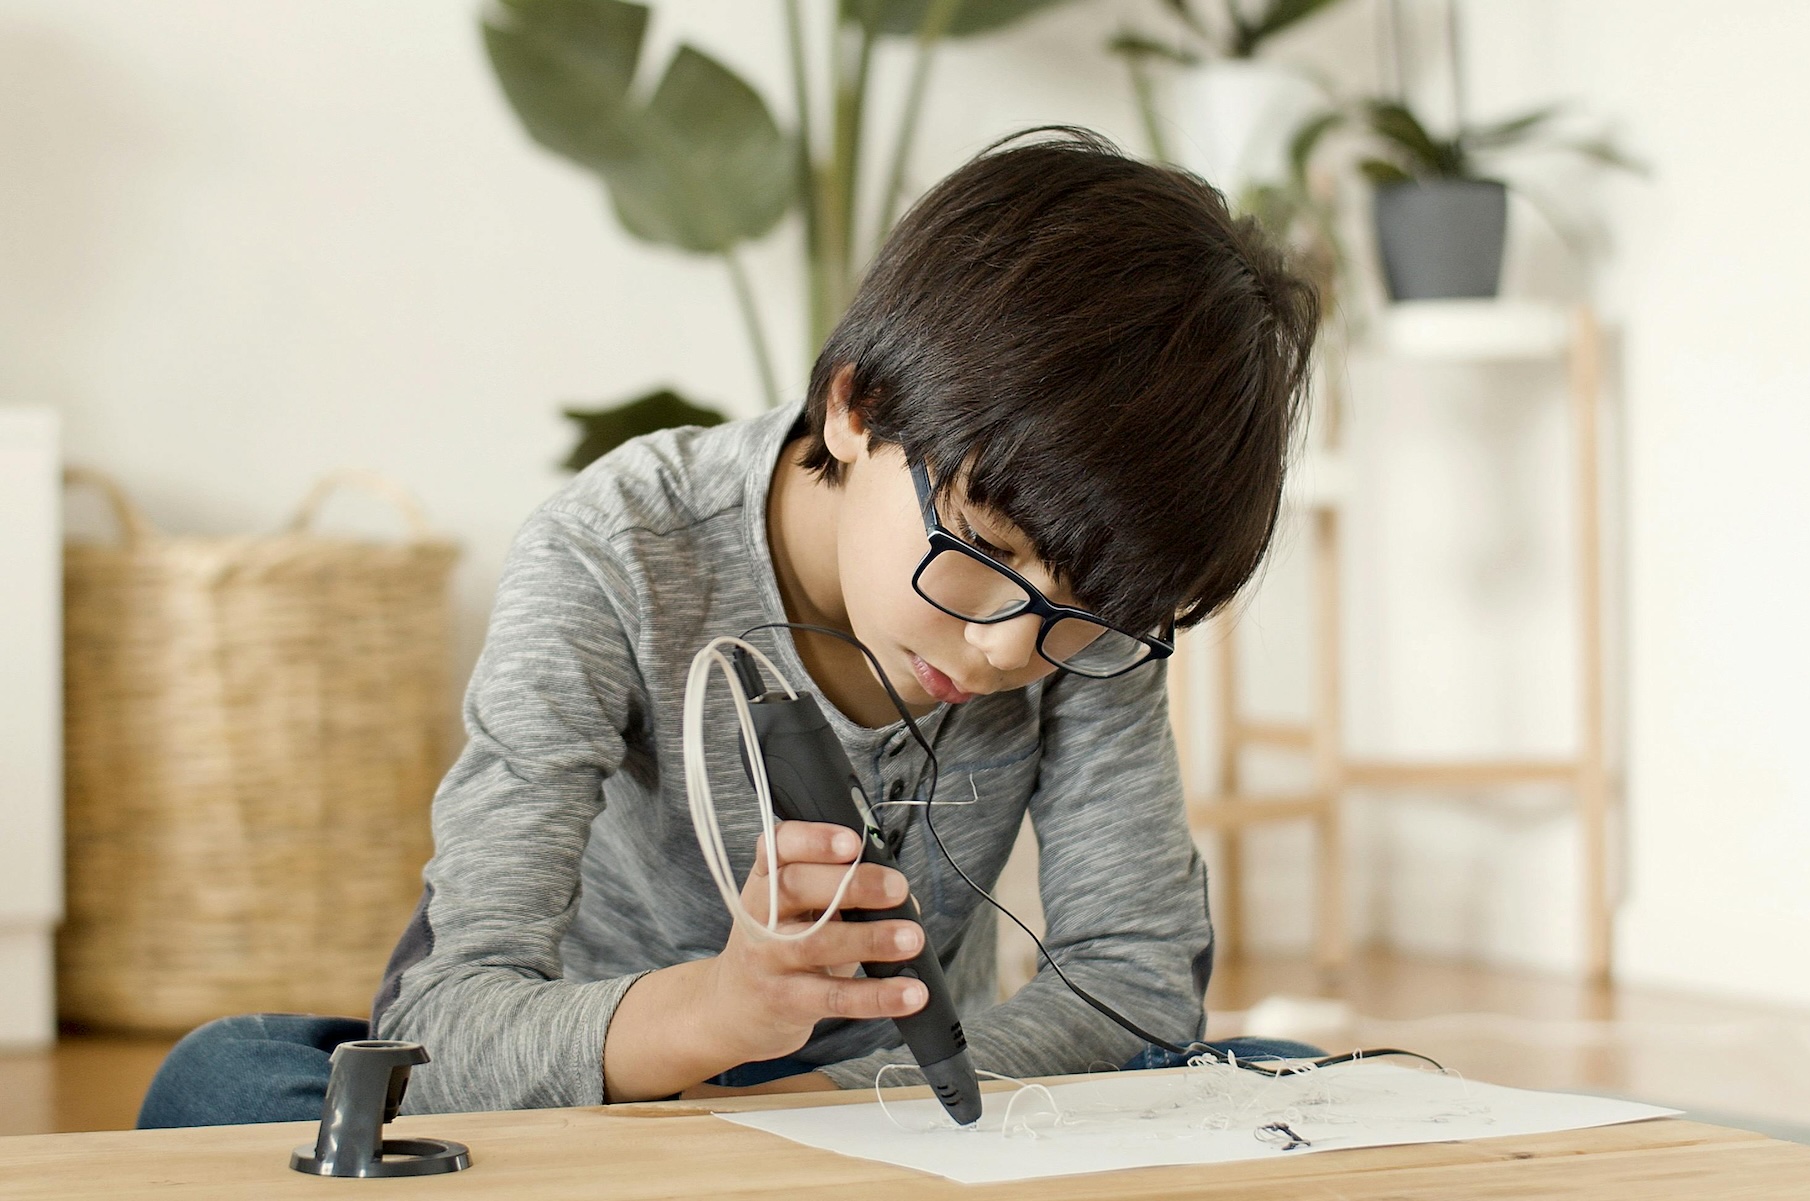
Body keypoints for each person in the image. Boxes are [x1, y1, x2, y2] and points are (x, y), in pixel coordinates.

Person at [138, 128, 1326, 1128]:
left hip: (900, 1102)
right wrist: (721, 1013)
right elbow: (443, 1030)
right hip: (604, 1085)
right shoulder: (614, 551)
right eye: (983, 549)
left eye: (1086, 612)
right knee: (226, 1081)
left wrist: (814, 1110)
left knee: (1295, 1079)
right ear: (856, 404)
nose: (1011, 650)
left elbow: (1131, 984)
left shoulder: (1083, 619)